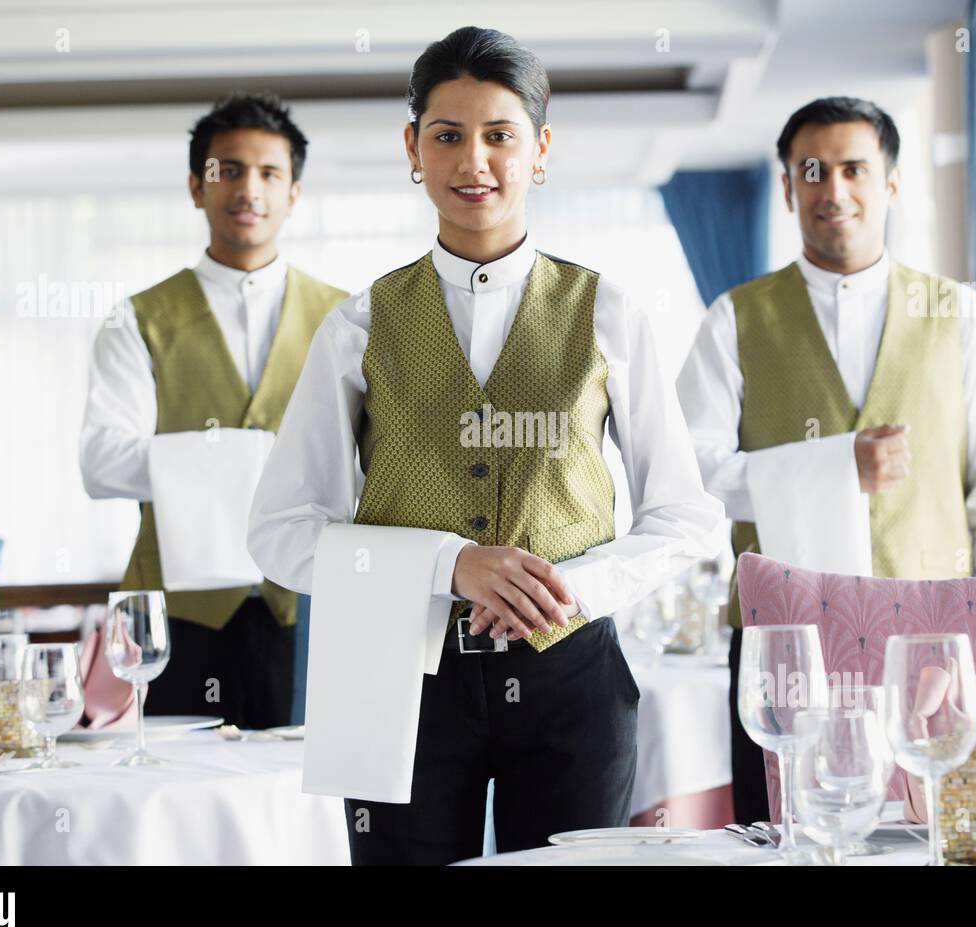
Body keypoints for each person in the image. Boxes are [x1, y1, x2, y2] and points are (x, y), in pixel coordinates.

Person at [248, 26, 725, 865]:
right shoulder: (357, 326)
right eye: (448, 135)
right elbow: (281, 531)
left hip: (573, 681)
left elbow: (684, 517)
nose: (475, 160)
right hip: (399, 682)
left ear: (539, 150)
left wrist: (565, 589)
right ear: (413, 148)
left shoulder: (608, 312)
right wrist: (448, 564)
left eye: (500, 135)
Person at [676, 96, 976, 824]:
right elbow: (690, 475)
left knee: (937, 835)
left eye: (854, 169)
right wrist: (839, 466)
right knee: (784, 838)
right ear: (787, 187)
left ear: (891, 184)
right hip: (783, 648)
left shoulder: (960, 315)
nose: (833, 190)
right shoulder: (733, 320)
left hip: (936, 647)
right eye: (812, 171)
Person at [80, 92, 347, 730]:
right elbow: (100, 463)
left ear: (294, 194)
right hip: (176, 619)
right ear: (197, 189)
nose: (247, 188)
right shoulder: (136, 320)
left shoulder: (348, 316)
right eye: (227, 170)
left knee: (309, 800)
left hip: (311, 606)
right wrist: (252, 455)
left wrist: (207, 462)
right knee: (173, 798)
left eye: (268, 173)